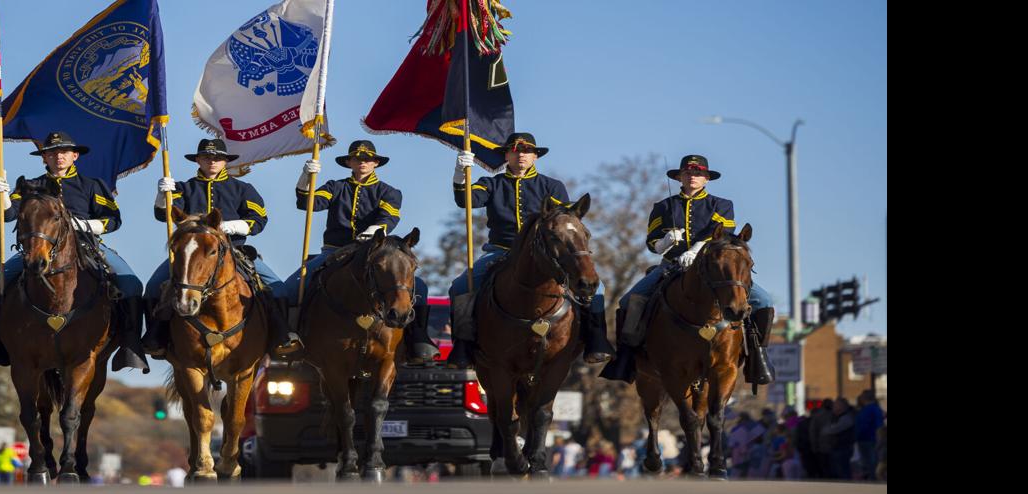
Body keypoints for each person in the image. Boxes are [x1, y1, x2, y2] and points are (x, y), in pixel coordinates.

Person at [0, 131, 147, 373]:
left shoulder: (92, 185)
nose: (59, 157)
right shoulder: (31, 186)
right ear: (44, 157)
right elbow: (8, 214)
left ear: (75, 156)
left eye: (64, 152)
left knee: (131, 285)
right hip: (40, 248)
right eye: (52, 153)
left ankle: (131, 344)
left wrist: (85, 225)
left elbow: (113, 219)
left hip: (87, 244)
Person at [602, 155, 774, 384]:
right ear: (680, 177)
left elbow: (721, 234)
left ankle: (758, 356)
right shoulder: (663, 206)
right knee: (629, 301)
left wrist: (695, 251)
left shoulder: (722, 204)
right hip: (671, 267)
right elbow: (651, 242)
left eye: (699, 173)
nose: (693, 177)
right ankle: (625, 358)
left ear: (706, 179)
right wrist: (664, 243)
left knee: (764, 300)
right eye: (688, 173)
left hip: (714, 268)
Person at [446, 132, 611, 367]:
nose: (520, 155)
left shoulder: (552, 186)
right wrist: (460, 176)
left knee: (598, 287)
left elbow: (565, 220)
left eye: (526, 151)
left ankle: (596, 340)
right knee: (460, 286)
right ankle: (463, 346)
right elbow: (466, 201)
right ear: (506, 155)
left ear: (535, 156)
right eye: (515, 151)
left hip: (545, 254)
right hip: (501, 251)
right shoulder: (491, 183)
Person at [144, 138, 298, 358]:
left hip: (234, 251)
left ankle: (280, 337)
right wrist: (162, 197)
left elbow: (259, 220)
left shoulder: (243, 189)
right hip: (192, 254)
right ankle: (155, 338)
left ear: (226, 161)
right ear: (198, 160)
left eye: (217, 158)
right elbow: (165, 215)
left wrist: (232, 226)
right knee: (152, 287)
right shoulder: (183, 188)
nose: (212, 161)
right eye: (207, 157)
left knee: (278, 289)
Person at [283, 140, 432, 360]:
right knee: (292, 287)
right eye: (357, 159)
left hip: (373, 252)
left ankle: (418, 338)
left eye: (367, 159)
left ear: (375, 163)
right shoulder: (335, 187)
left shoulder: (389, 192)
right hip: (335, 251)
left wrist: (375, 230)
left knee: (419, 287)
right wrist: (306, 178)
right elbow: (308, 203)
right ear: (349, 162)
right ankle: (292, 336)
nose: (362, 162)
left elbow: (389, 217)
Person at [854, 391, 884, 482]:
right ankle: (871, 477)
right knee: (868, 461)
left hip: (870, 439)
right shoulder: (871, 409)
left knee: (871, 461)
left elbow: (878, 426)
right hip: (866, 439)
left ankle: (873, 478)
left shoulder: (871, 410)